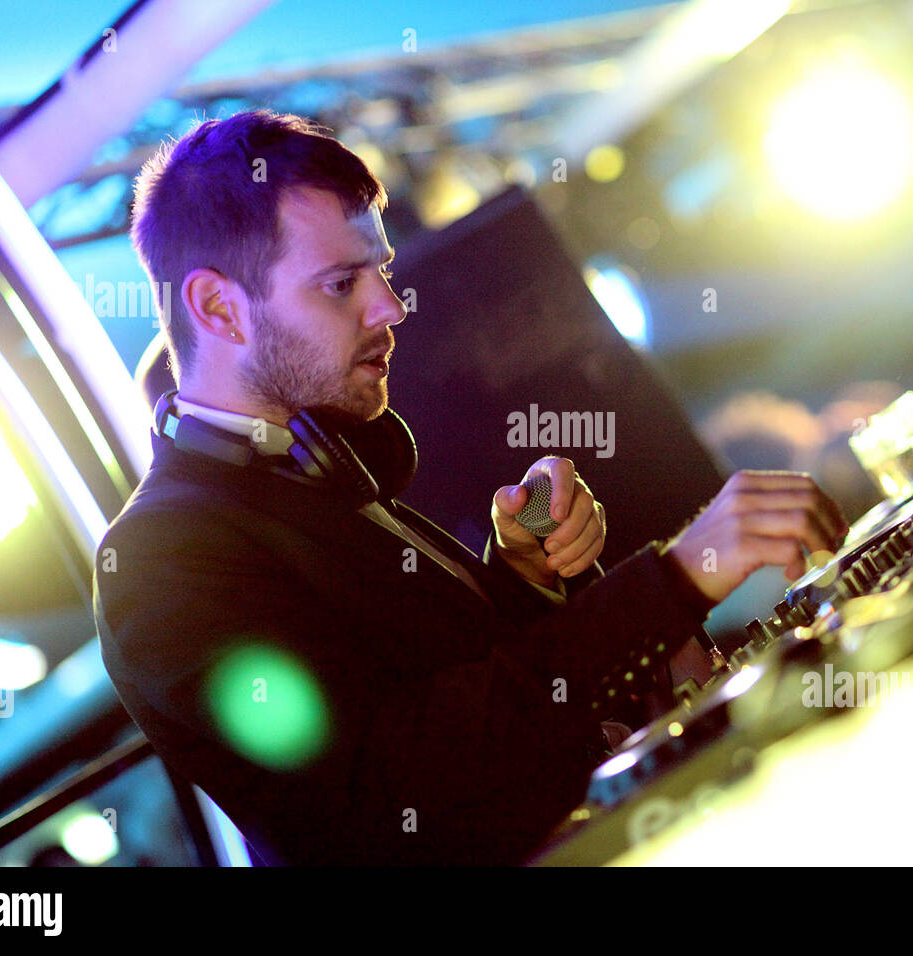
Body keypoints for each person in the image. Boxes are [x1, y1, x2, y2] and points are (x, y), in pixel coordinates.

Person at [92, 110, 848, 865]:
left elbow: (449, 692)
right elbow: (390, 781)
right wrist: (675, 579)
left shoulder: (322, 458)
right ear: (218, 307)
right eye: (341, 283)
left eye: (380, 271)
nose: (388, 307)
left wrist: (521, 575)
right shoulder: (158, 560)